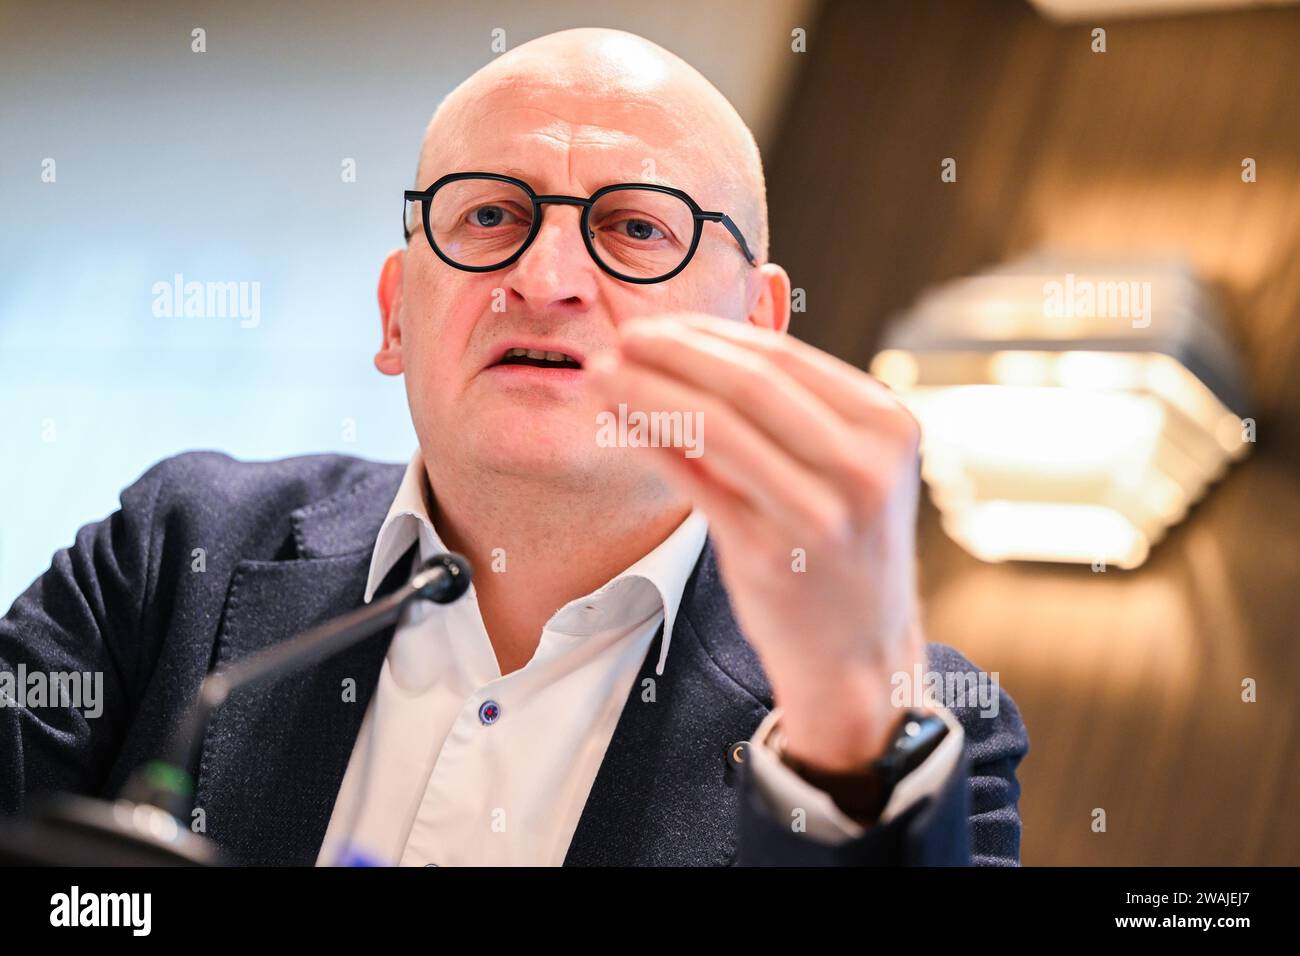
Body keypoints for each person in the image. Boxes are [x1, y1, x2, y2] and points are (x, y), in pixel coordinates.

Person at [0, 27, 1028, 866]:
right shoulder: (173, 553)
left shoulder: (921, 731)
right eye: (490, 214)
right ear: (398, 311)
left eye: (632, 227)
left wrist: (844, 743)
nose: (544, 278)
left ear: (756, 326)